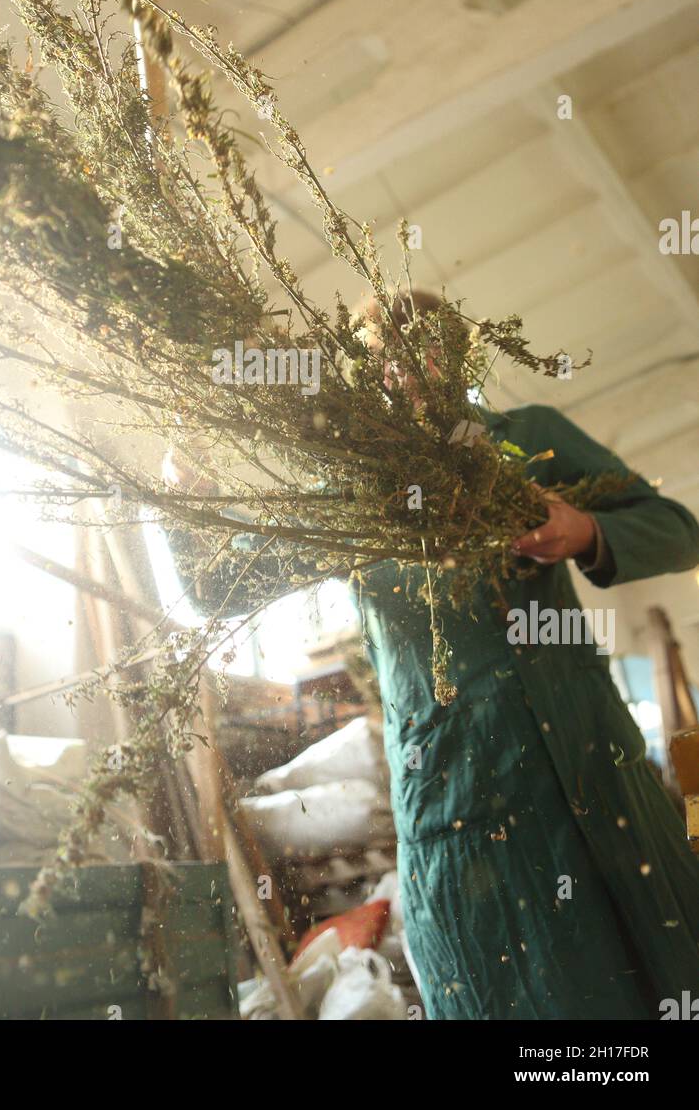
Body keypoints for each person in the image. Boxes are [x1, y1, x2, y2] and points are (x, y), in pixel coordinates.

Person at [166, 290, 699, 1020]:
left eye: (428, 351)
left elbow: (675, 527)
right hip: (463, 797)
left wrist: (582, 530)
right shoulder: (350, 491)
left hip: (591, 761)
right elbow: (217, 584)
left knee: (662, 961)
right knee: (529, 992)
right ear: (364, 373)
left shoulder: (529, 442)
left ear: (459, 357)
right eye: (386, 358)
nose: (408, 372)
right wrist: (183, 498)